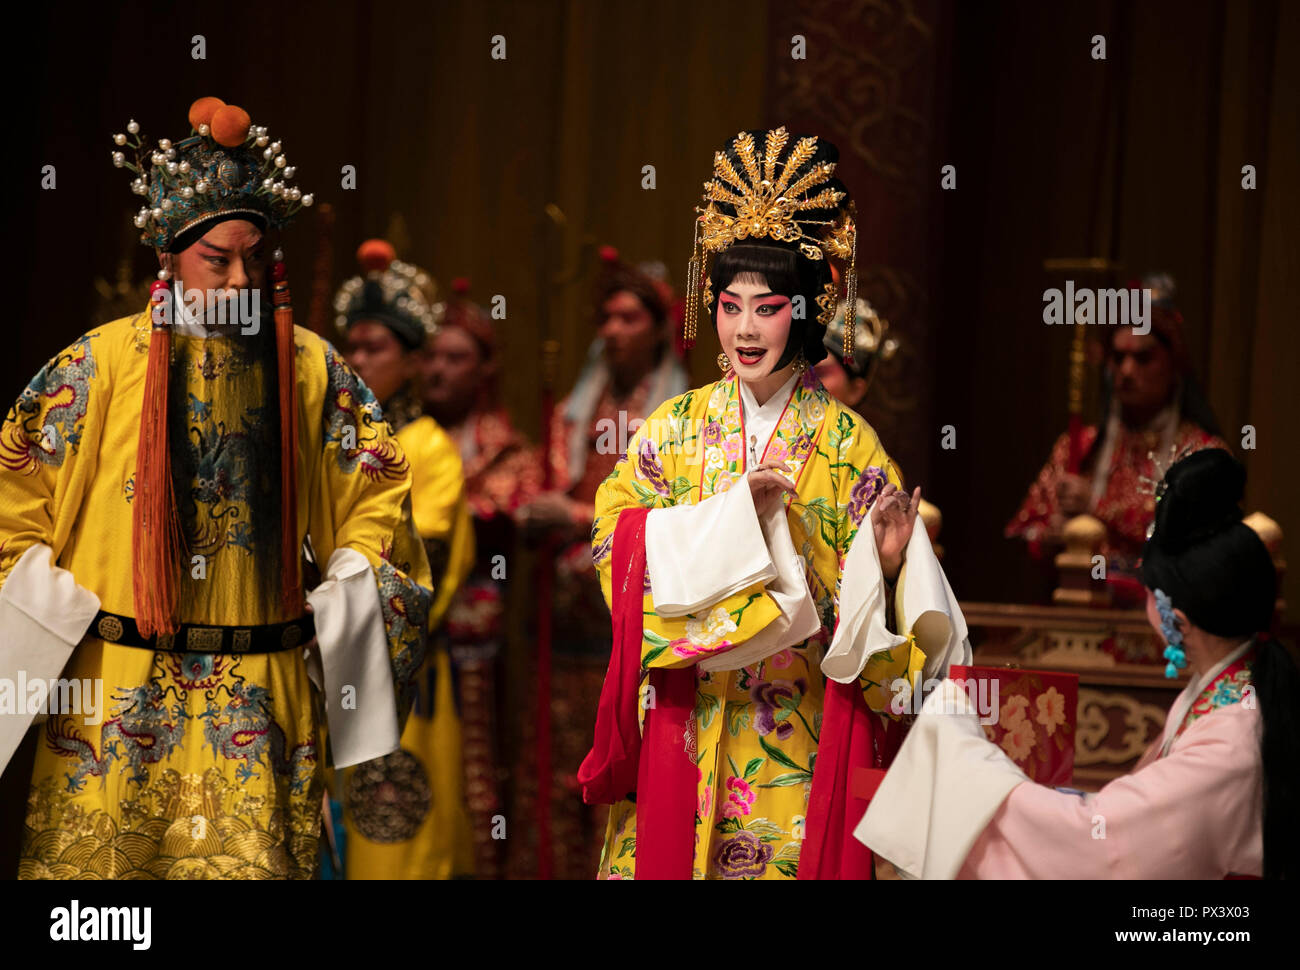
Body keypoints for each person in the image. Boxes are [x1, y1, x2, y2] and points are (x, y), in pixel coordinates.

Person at [0, 98, 434, 879]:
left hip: (260, 697)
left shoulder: (311, 371)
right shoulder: (95, 368)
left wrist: (345, 595)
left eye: (255, 259)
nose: (240, 279)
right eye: (217, 260)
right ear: (167, 257)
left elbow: (378, 513)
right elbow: (12, 509)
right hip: (113, 689)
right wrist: (56, 616)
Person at [579, 127, 970, 880]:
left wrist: (888, 571)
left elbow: (897, 654)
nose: (746, 329)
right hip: (680, 721)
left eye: (768, 307)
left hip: (793, 738)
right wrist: (732, 520)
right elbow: (613, 543)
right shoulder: (675, 427)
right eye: (729, 306)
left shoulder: (851, 446)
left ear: (807, 307)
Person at [860, 448, 1298, 879]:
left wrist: (956, 742)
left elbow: (1099, 849)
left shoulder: (1232, 736)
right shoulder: (1226, 692)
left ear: (1176, 619)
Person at [509, 248, 689, 879]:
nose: (612, 331)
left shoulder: (678, 418)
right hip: (560, 621)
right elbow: (538, 478)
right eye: (606, 318)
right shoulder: (577, 408)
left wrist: (575, 514)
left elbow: (674, 513)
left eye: (628, 318)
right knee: (552, 762)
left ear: (660, 328)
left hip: (628, 621)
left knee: (619, 765)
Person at [334, 239, 477, 879]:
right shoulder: (331, 438)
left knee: (396, 846)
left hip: (399, 673)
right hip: (328, 667)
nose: (357, 360)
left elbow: (425, 569)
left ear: (414, 362)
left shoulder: (429, 448)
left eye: (376, 348)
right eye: (351, 347)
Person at [420, 279, 543, 879]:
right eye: (432, 356)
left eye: (456, 357)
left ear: (484, 367)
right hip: (407, 641)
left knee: (480, 776)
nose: (439, 370)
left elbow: (517, 509)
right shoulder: (398, 442)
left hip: (483, 648)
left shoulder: (510, 453)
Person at [1007, 276, 1227, 576]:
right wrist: (1049, 536)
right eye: (1118, 357)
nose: (1126, 371)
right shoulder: (1079, 446)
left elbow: (1203, 546)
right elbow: (1025, 528)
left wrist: (1098, 507)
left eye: (1143, 358)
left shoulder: (1203, 455)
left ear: (1173, 364)